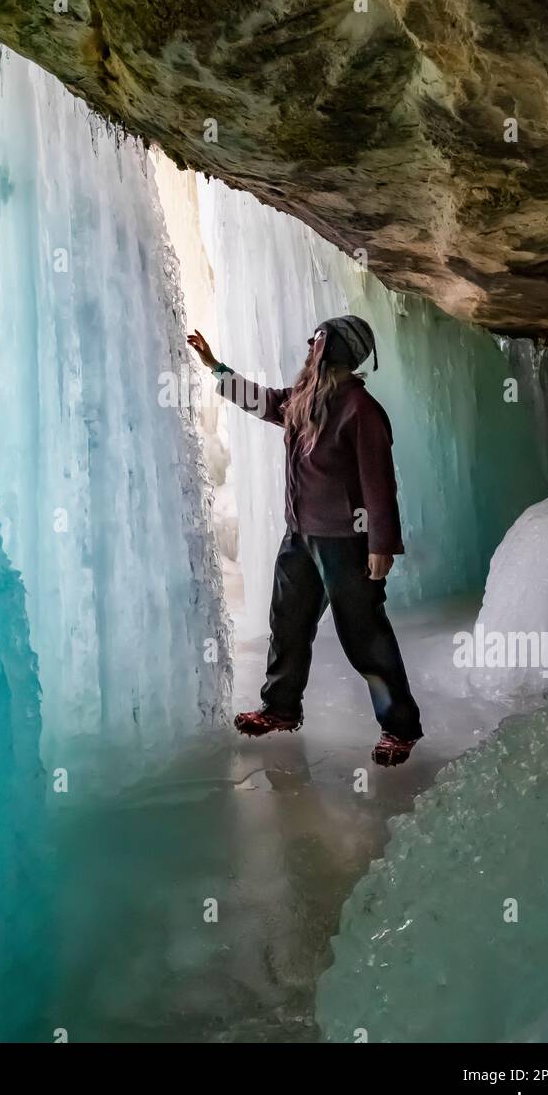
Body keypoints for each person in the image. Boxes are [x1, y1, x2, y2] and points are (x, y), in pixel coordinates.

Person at [188, 316, 422, 767]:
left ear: (334, 349)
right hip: (300, 536)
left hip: (346, 544)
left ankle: (399, 727)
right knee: (288, 624)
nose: (309, 346)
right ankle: (280, 708)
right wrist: (216, 367)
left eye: (316, 339)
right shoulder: (304, 401)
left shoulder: (361, 410)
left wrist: (380, 545)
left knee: (364, 636)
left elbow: (379, 484)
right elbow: (264, 402)